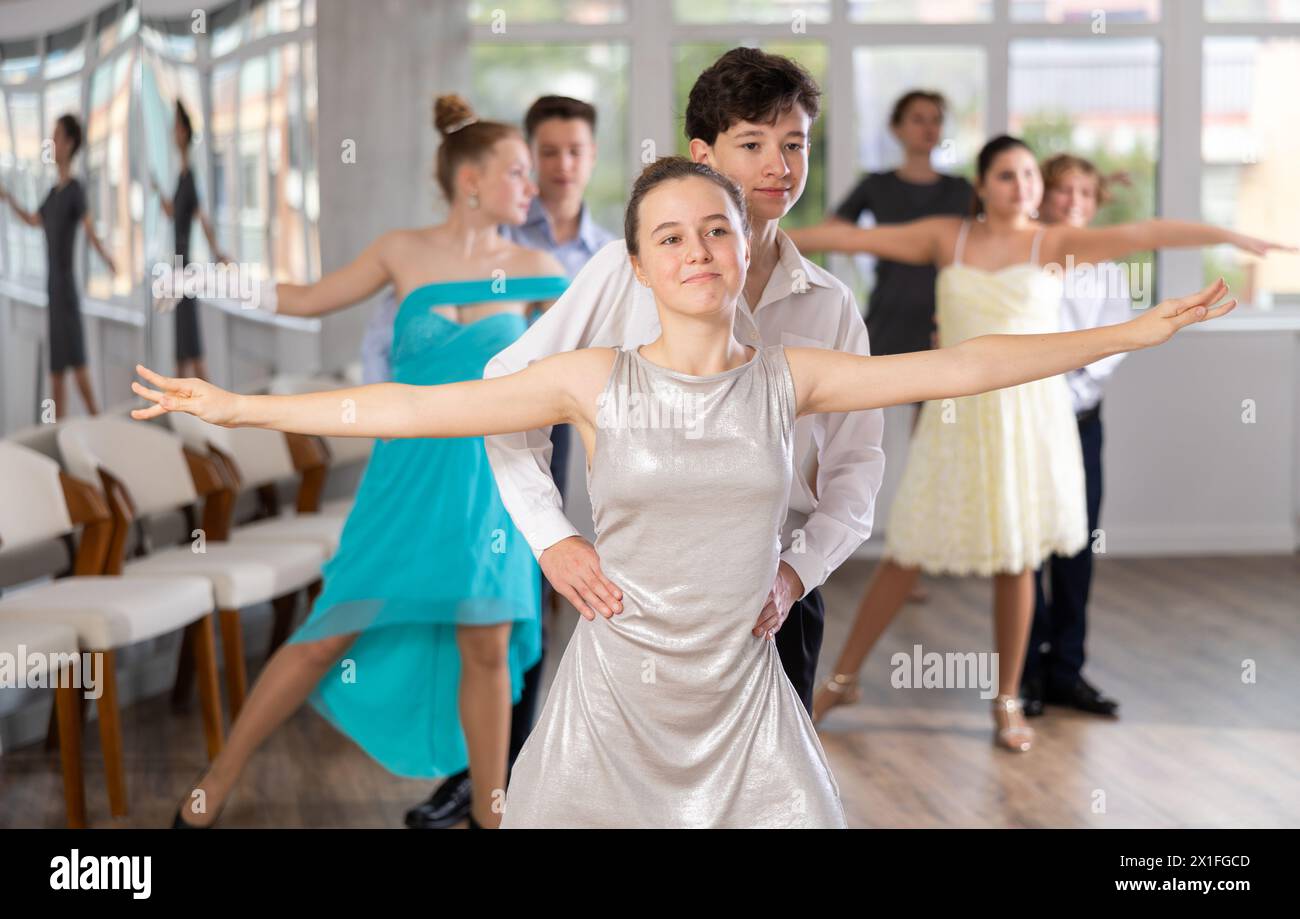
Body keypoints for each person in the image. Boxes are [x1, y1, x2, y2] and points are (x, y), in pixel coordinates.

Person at [131, 156, 1238, 827]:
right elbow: (401, 411)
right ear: (639, 266)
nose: (700, 247)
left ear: (740, 240)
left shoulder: (788, 375)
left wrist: (1128, 329)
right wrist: (235, 407)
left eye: (716, 226)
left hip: (747, 701)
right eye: (671, 235)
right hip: (613, 701)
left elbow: (959, 367)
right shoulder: (588, 378)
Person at [789, 134, 1291, 752]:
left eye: (1029, 174)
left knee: (1018, 556)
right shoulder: (949, 236)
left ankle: (1007, 700)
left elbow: (1144, 233)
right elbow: (848, 238)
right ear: (982, 184)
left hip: (1030, 417)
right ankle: (841, 680)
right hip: (959, 414)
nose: (1022, 185)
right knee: (908, 551)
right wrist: (749, 230)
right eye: (1006, 175)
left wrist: (1232, 237)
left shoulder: (1053, 243)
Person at [167, 95, 566, 831]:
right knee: (327, 634)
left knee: (486, 643)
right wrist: (201, 277)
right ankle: (211, 787)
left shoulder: (540, 267)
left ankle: (491, 814)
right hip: (404, 479)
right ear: (471, 179)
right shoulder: (401, 250)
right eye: (517, 171)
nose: (531, 187)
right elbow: (305, 298)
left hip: (489, 487)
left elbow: (591, 357)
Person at [483, 47, 886, 728]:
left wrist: (797, 574)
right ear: (703, 154)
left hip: (772, 602)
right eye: (753, 142)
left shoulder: (830, 304)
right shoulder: (627, 267)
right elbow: (504, 387)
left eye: (795, 144)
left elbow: (857, 465)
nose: (779, 167)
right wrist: (551, 536)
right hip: (638, 594)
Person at [404, 94, 617, 829]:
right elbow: (408, 335)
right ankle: (476, 778)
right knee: (474, 609)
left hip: (560, 436)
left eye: (574, 152)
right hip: (464, 442)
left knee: (531, 592)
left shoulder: (607, 256)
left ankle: (512, 777)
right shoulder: (495, 234)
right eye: (546, 152)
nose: (559, 167)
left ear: (591, 158)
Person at [1022, 153, 1132, 719]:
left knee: (1077, 546)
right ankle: (1028, 674)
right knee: (1030, 548)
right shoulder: (1024, 258)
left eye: (1084, 194)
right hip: (1029, 426)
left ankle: (1067, 670)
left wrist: (1071, 384)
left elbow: (1114, 340)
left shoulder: (1109, 266)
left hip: (1083, 423)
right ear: (1043, 196)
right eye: (1062, 191)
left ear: (1095, 204)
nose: (1071, 202)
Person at [0, 114, 116, 419]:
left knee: (79, 373)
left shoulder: (75, 191)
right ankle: (60, 442)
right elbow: (32, 220)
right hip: (52, 291)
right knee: (56, 378)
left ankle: (102, 428)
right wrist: (8, 197)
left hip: (66, 291)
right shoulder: (52, 194)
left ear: (69, 143)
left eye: (55, 137)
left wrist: (109, 260)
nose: (51, 144)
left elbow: (90, 232)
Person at [152, 100, 232, 380]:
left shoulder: (189, 178)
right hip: (178, 265)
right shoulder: (181, 176)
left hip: (184, 267)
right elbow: (174, 214)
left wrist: (217, 250)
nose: (172, 132)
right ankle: (182, 411)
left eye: (175, 126)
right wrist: (158, 191)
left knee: (192, 349)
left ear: (184, 132)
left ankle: (211, 411)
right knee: (183, 348)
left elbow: (201, 217)